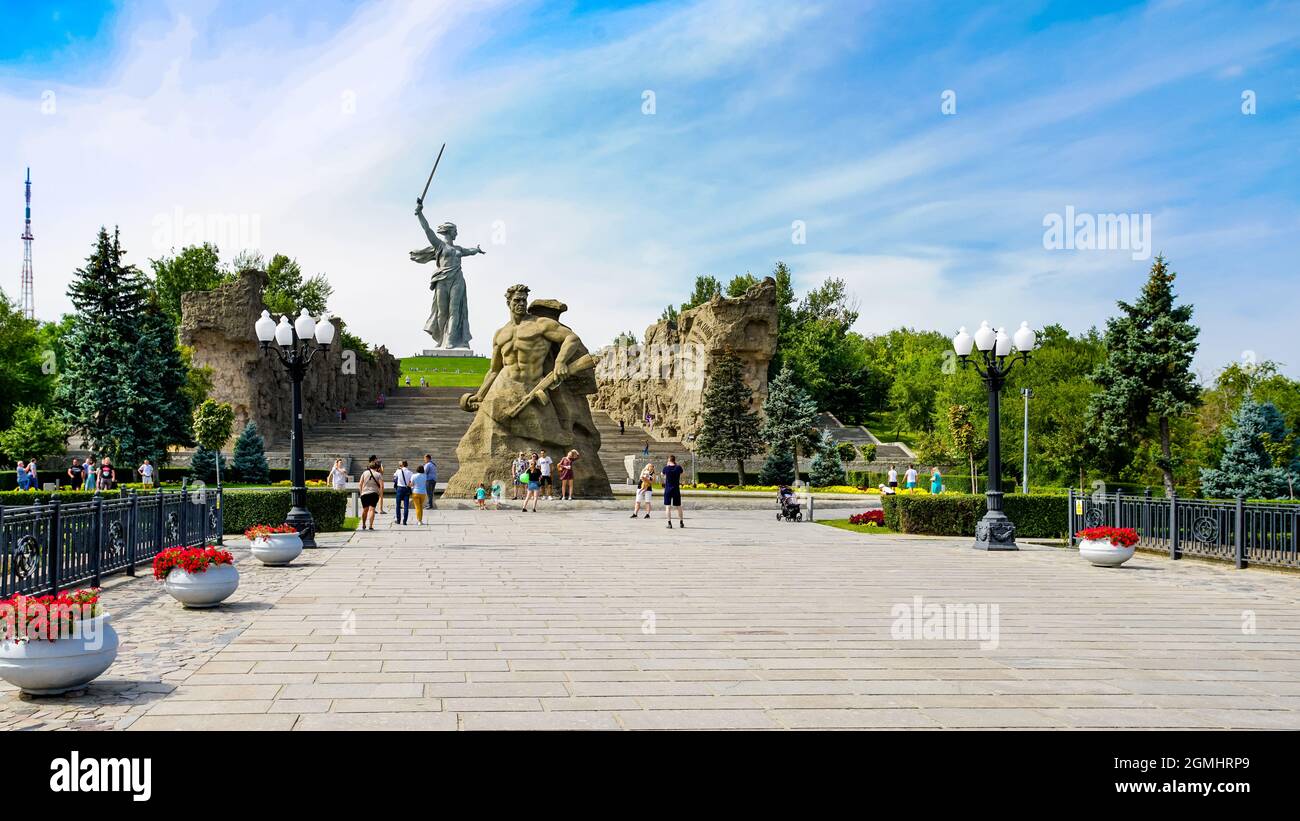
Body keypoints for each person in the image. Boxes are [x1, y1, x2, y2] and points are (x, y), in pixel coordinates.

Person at [358, 460, 384, 530]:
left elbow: (360, 483)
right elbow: (381, 486)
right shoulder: (378, 474)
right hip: (374, 493)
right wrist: (381, 494)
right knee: (372, 509)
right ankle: (371, 525)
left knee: (365, 510)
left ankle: (363, 524)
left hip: (365, 493)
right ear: (376, 467)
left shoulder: (364, 473)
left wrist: (361, 492)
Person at [662, 454, 684, 528]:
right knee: (679, 506)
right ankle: (681, 522)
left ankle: (669, 523)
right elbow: (682, 474)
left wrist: (667, 466)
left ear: (669, 460)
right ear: (675, 460)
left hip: (668, 489)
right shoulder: (678, 467)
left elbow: (662, 474)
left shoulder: (666, 468)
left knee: (668, 507)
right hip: (676, 489)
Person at [393, 460, 414, 525]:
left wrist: (399, 467)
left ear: (402, 465)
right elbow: (411, 482)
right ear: (407, 465)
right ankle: (405, 521)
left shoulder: (398, 471)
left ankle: (398, 520)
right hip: (406, 489)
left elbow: (394, 477)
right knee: (406, 506)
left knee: (398, 505)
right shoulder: (410, 472)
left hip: (399, 488)